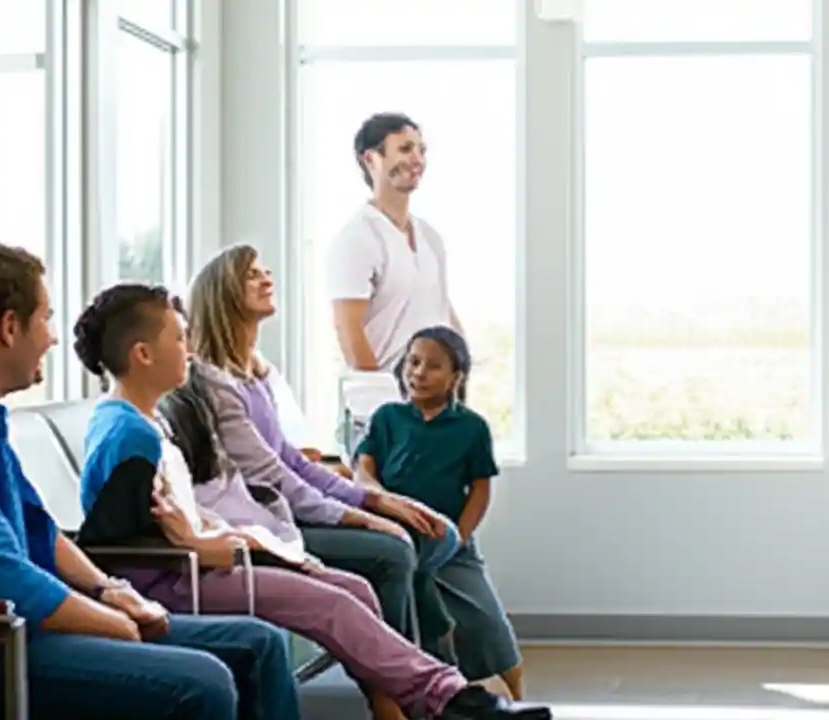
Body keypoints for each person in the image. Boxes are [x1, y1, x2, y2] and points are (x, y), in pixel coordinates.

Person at [71, 283, 550, 720]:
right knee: (331, 604)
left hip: (201, 562)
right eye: (178, 339)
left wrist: (222, 535)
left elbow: (173, 516)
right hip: (175, 581)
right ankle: (456, 700)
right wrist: (207, 545)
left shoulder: (145, 421)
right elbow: (112, 544)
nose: (189, 351)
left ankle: (419, 704)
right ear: (143, 354)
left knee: (355, 589)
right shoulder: (128, 433)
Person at [0, 242, 299, 720]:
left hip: (30, 624)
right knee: (202, 684)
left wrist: (109, 589)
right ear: (9, 328)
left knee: (259, 644)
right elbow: (0, 577)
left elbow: (39, 528)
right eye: (45, 319)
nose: (51, 338)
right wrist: (111, 622)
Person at [187, 244, 460, 662]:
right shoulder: (215, 381)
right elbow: (273, 477)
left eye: (266, 270)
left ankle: (435, 674)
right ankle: (405, 686)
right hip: (267, 518)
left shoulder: (256, 371)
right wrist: (361, 515)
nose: (267, 280)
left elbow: (293, 459)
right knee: (395, 551)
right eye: (252, 275)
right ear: (223, 294)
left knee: (434, 533)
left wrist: (374, 499)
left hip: (289, 502)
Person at [353, 326, 526, 700]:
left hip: (451, 544)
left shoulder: (471, 427)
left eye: (433, 366)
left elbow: (480, 489)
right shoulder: (387, 417)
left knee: (486, 622)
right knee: (413, 627)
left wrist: (459, 538)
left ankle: (517, 697)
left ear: (455, 377)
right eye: (413, 362)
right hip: (397, 543)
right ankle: (427, 697)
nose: (418, 373)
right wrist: (383, 499)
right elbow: (363, 471)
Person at [327, 112, 462, 373]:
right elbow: (348, 331)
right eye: (405, 149)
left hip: (433, 401)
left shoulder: (430, 238)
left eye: (421, 150)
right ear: (371, 159)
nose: (417, 159)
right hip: (383, 400)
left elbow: (443, 308)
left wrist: (462, 370)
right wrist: (381, 401)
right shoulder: (356, 239)